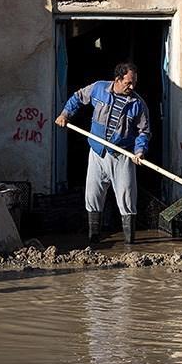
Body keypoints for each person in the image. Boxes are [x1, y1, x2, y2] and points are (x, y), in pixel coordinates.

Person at [55, 62, 150, 245]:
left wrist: (140, 151)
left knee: (127, 197)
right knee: (93, 195)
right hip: (97, 152)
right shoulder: (99, 89)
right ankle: (94, 240)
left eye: (134, 83)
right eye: (128, 83)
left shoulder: (138, 104)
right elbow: (78, 97)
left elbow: (143, 131)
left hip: (122, 155)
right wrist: (65, 114)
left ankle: (130, 244)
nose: (132, 87)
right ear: (117, 79)